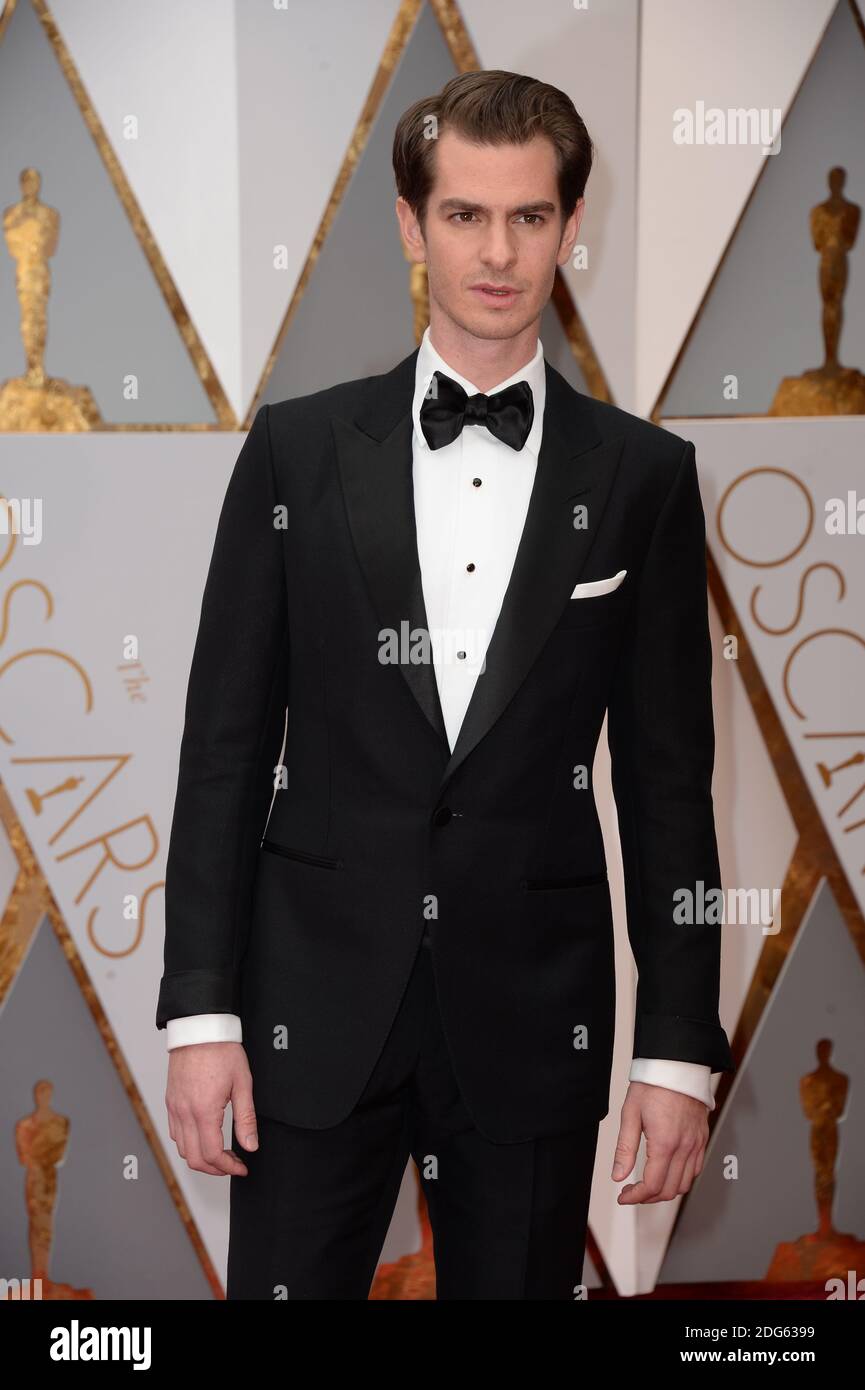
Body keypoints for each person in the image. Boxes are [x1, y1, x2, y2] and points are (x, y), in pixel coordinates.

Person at [156, 69, 734, 1300]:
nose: (498, 251)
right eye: (465, 215)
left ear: (571, 228)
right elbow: (222, 746)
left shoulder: (642, 477)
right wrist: (200, 1015)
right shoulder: (298, 449)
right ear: (411, 227)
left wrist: (679, 1049)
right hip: (310, 1012)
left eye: (529, 217)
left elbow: (671, 784)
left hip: (531, 1018)